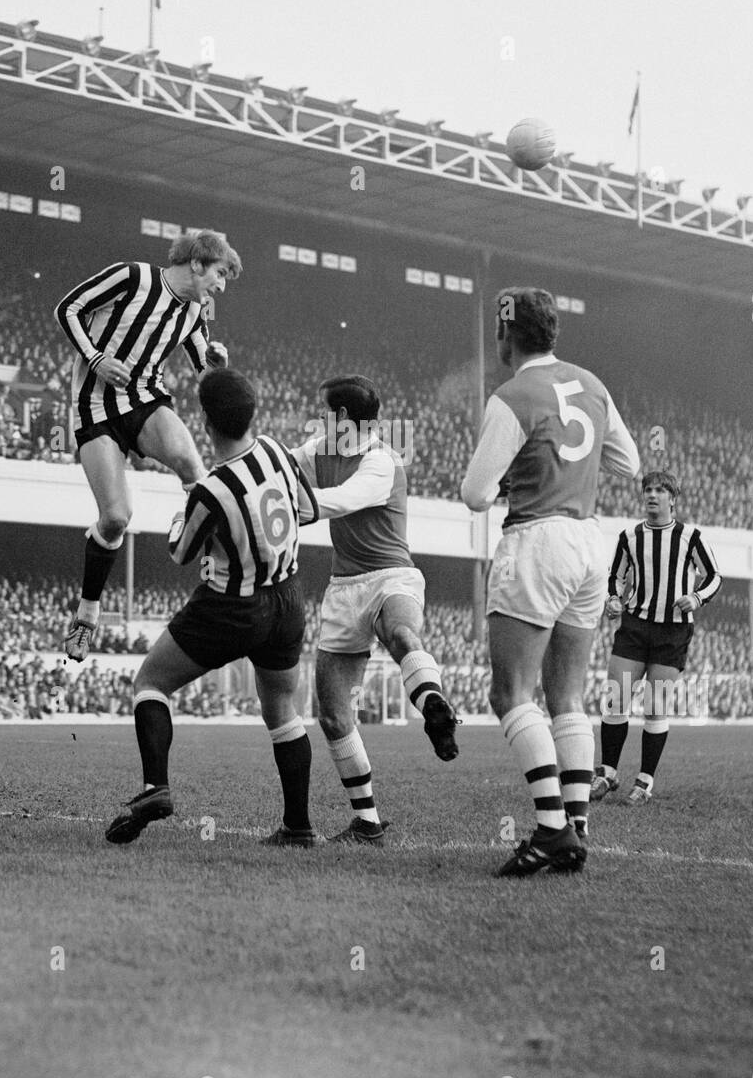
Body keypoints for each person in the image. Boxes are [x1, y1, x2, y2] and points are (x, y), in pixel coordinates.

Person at [461, 287, 640, 877]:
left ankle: (551, 830)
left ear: (506, 335)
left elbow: (474, 494)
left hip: (537, 540)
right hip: (591, 542)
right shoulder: (591, 383)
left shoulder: (511, 396)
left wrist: (517, 479)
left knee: (510, 695)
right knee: (567, 696)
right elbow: (630, 464)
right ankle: (577, 824)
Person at [105, 367, 321, 847]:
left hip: (231, 606)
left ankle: (154, 787)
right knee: (283, 711)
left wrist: (184, 512)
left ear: (204, 423)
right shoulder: (278, 453)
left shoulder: (213, 489)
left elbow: (180, 551)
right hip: (288, 597)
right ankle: (299, 826)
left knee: (150, 683)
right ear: (252, 414)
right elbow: (306, 510)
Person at [53, 231, 241, 662]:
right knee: (117, 518)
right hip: (95, 408)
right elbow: (68, 309)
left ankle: (211, 566)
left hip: (145, 401)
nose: (221, 286)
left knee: (196, 472)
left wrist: (217, 367)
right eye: (218, 273)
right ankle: (86, 615)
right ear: (196, 263)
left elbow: (203, 373)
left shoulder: (194, 312)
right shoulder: (132, 277)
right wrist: (97, 357)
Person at [291, 374, 460, 846]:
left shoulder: (382, 461)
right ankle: (367, 821)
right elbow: (278, 468)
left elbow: (336, 502)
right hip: (343, 587)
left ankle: (434, 708)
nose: (317, 415)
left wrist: (281, 504)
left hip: (391, 576)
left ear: (342, 417)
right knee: (332, 714)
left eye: (323, 409)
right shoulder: (316, 450)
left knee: (402, 634)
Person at [591, 469, 722, 804]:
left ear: (672, 499)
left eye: (660, 490)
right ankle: (607, 773)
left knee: (654, 706)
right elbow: (615, 576)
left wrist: (696, 598)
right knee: (616, 698)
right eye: (648, 489)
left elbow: (713, 576)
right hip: (635, 626)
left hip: (673, 630)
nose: (652, 495)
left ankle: (644, 782)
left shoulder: (691, 536)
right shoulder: (630, 536)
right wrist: (614, 599)